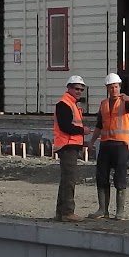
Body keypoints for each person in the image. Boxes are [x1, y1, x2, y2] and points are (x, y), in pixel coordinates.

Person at [91, 72, 129, 219]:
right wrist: (91, 142)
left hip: (121, 145)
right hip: (105, 144)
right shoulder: (103, 104)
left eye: (116, 87)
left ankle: (120, 211)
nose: (114, 90)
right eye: (111, 87)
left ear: (120, 87)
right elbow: (99, 125)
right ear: (107, 88)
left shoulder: (125, 103)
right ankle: (102, 210)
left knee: (120, 177)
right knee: (102, 176)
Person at [51, 75, 89, 221]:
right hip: (67, 145)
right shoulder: (64, 104)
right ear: (69, 88)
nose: (79, 91)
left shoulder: (71, 104)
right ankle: (67, 212)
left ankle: (61, 213)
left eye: (81, 89)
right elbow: (65, 126)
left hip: (69, 145)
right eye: (76, 89)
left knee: (66, 180)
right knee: (69, 180)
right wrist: (82, 130)